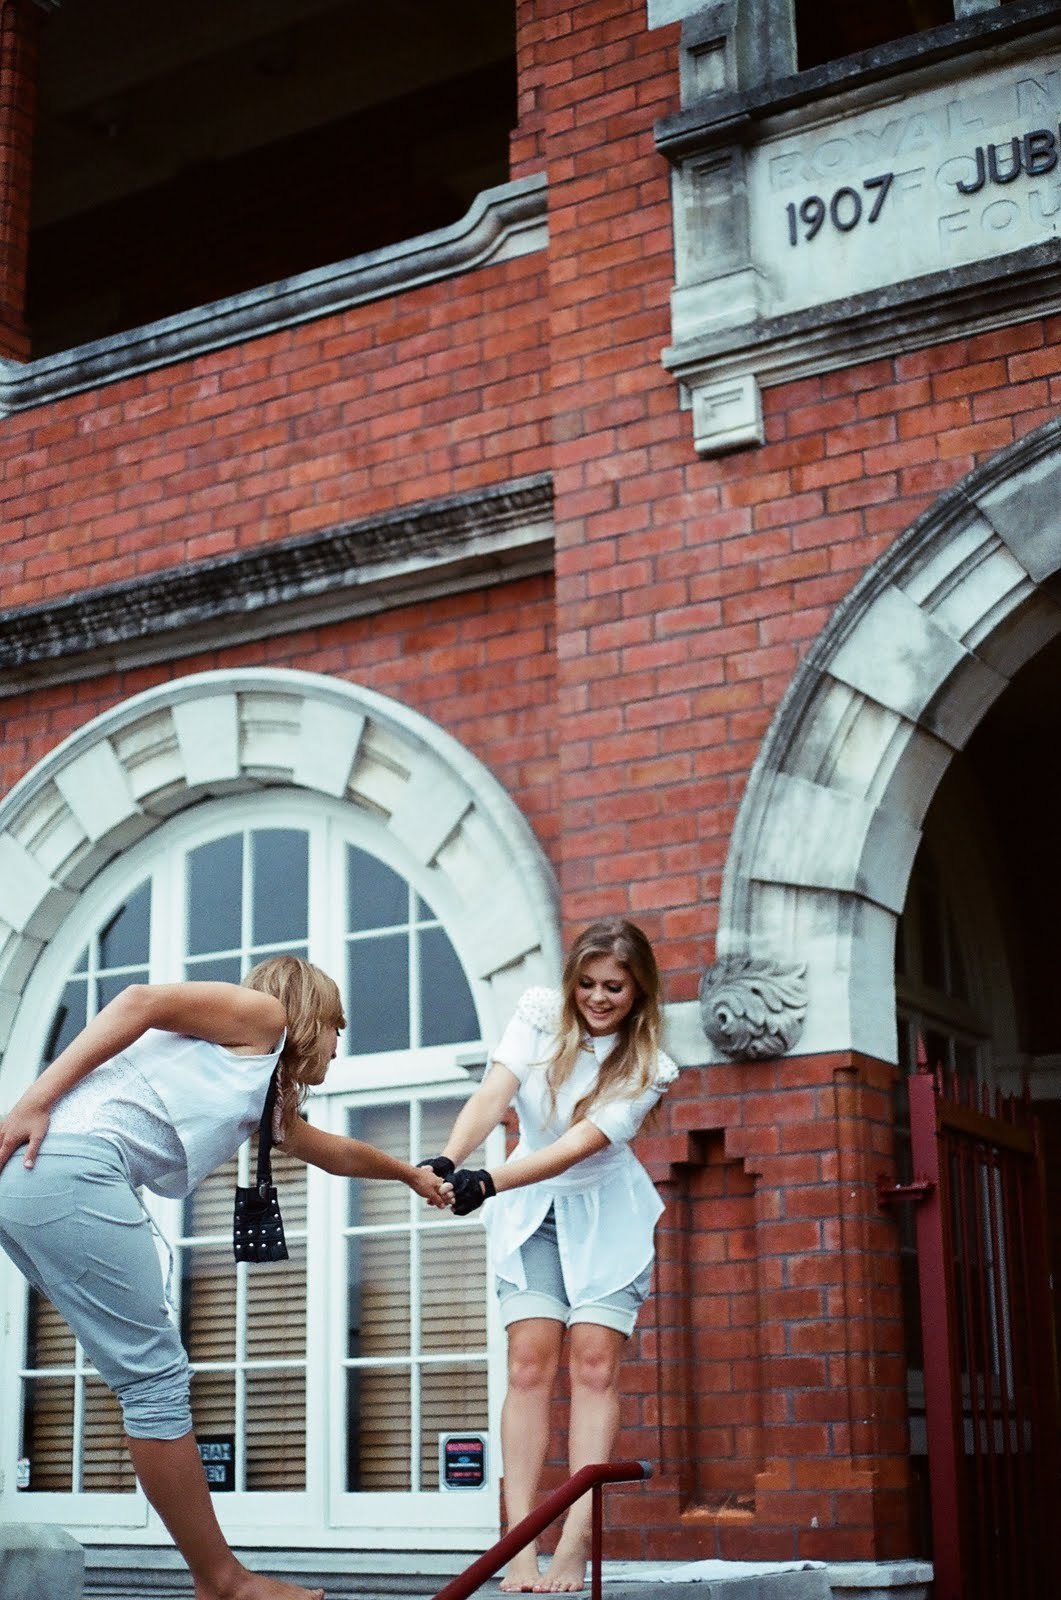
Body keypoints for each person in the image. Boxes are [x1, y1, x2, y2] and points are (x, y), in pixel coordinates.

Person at [0, 955, 451, 1600]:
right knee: (153, 1382)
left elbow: (327, 1148)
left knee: (142, 1378)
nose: (337, 1047)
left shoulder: (255, 1085)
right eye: (338, 1029)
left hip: (31, 1180)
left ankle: (221, 1578)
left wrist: (407, 1174)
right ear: (312, 1015)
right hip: (69, 1166)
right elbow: (137, 1002)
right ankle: (223, 1581)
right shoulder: (261, 1018)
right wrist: (31, 1103)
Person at [419, 917, 677, 1595]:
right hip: (531, 1214)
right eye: (587, 983)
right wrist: (451, 1159)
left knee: (593, 1365)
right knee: (528, 1363)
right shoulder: (536, 1018)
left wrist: (486, 1181)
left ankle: (573, 1543)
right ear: (571, 982)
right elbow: (493, 1095)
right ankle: (519, 1547)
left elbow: (577, 1146)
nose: (597, 997)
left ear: (637, 991)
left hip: (605, 1218)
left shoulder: (650, 1065)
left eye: (614, 987)